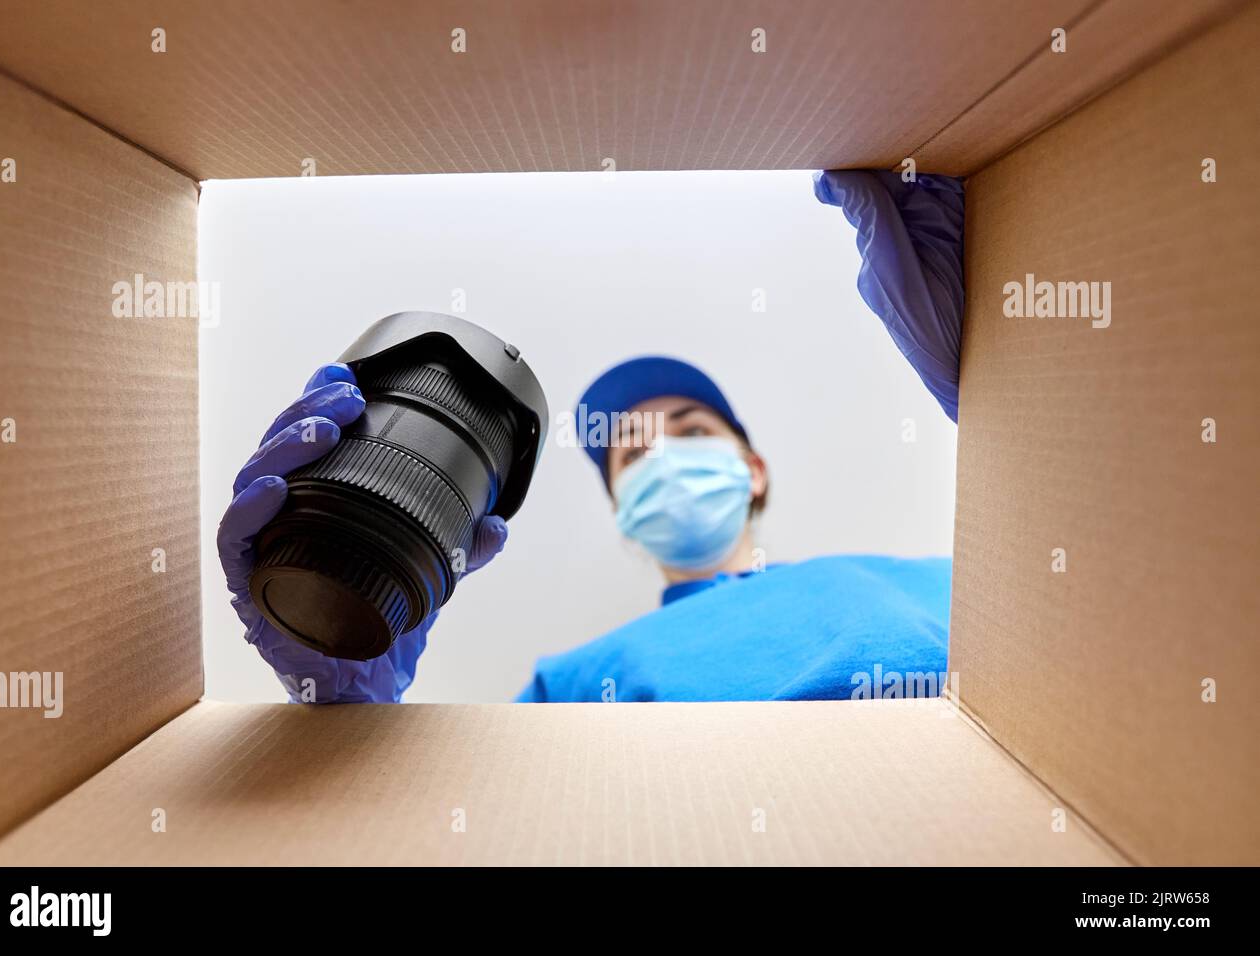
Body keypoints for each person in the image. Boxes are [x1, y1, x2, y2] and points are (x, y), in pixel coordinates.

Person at [217, 169, 965, 705]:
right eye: (634, 452)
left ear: (754, 468)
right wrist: (342, 700)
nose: (665, 456)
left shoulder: (939, 582)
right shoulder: (571, 685)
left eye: (692, 430)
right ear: (625, 509)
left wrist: (991, 393)